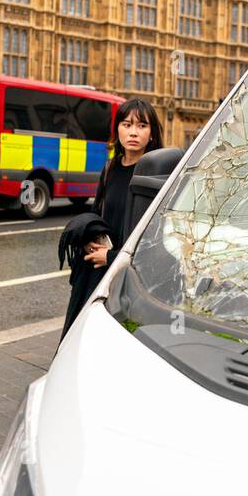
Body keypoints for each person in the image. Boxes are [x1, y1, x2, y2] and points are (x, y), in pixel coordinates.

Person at [60, 98, 163, 337]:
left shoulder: (159, 175)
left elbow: (157, 237)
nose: (133, 132)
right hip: (104, 270)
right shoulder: (110, 169)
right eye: (127, 125)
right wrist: (88, 239)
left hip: (135, 275)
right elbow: (98, 214)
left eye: (142, 126)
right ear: (117, 129)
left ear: (152, 134)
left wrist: (112, 257)